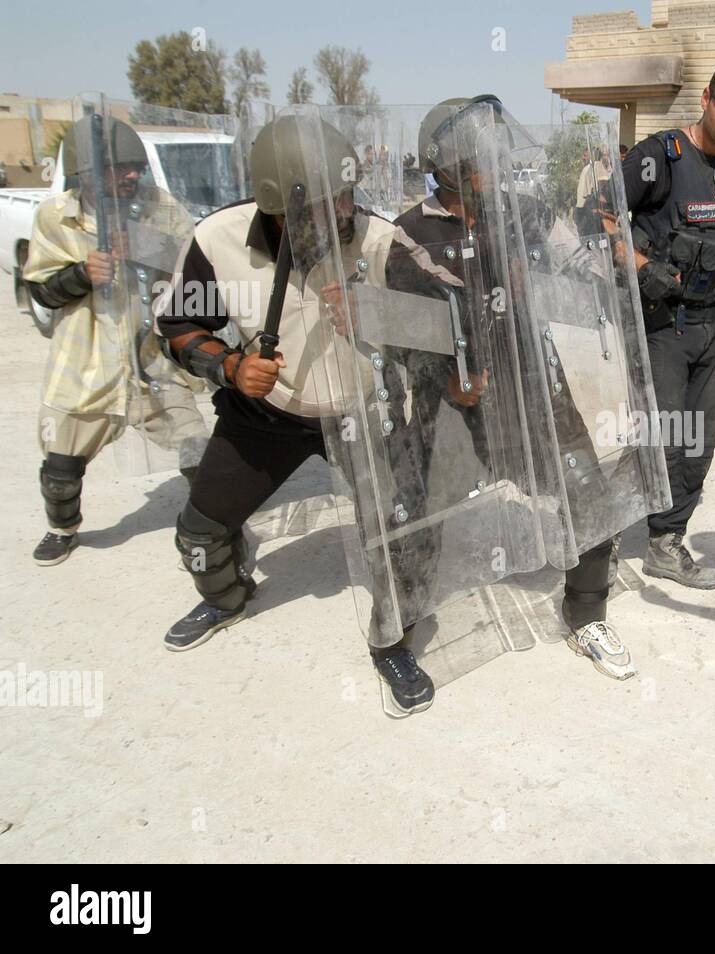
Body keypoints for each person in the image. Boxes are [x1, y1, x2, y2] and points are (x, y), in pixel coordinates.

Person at [153, 114, 444, 717]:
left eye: (345, 196)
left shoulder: (381, 240)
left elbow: (451, 326)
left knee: (404, 537)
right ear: (273, 205)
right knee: (201, 537)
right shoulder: (218, 238)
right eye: (320, 205)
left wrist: (379, 314)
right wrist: (228, 367)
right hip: (267, 412)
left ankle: (393, 641)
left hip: (365, 411)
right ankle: (229, 598)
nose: (340, 214)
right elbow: (180, 326)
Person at [383, 95, 641, 680]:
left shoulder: (523, 211)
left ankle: (586, 613)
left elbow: (580, 262)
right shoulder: (408, 234)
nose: (493, 169)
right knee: (417, 509)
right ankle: (400, 627)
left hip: (531, 383)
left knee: (588, 493)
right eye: (480, 159)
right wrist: (458, 362)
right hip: (452, 397)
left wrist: (618, 261)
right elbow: (415, 321)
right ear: (446, 166)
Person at [24, 113, 208, 567]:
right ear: (85, 173)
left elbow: (196, 261)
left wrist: (145, 246)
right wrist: (81, 275)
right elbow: (41, 289)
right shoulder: (55, 216)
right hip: (85, 363)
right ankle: (61, 528)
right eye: (117, 168)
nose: (130, 175)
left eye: (134, 167)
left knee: (198, 450)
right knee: (61, 470)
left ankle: (213, 527)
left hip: (149, 361)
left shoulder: (158, 207)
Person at [621, 58, 715, 589]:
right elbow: (598, 218)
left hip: (714, 328)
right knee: (661, 437)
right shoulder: (659, 157)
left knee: (698, 442)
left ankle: (665, 541)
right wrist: (642, 267)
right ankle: (607, 527)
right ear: (706, 99)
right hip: (662, 323)